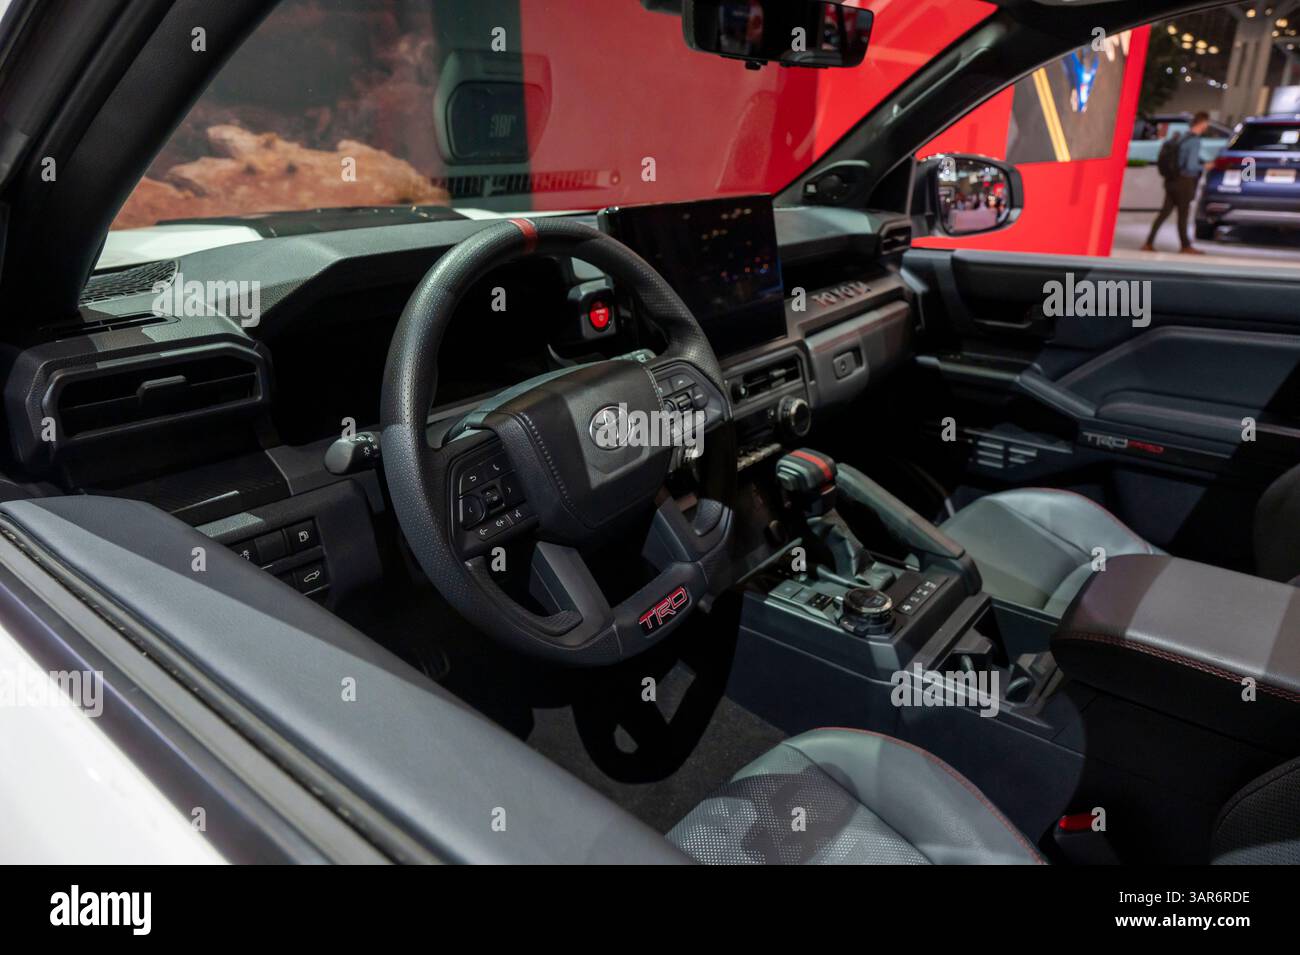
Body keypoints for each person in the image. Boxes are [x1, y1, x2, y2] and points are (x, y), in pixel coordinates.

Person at [1141, 111, 1213, 255]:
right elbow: (1191, 166)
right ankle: (1185, 246)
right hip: (1184, 181)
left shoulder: (1181, 137)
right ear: (1203, 123)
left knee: (1164, 212)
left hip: (1171, 180)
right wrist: (1204, 166)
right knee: (1183, 214)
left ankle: (1148, 242)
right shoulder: (1194, 141)